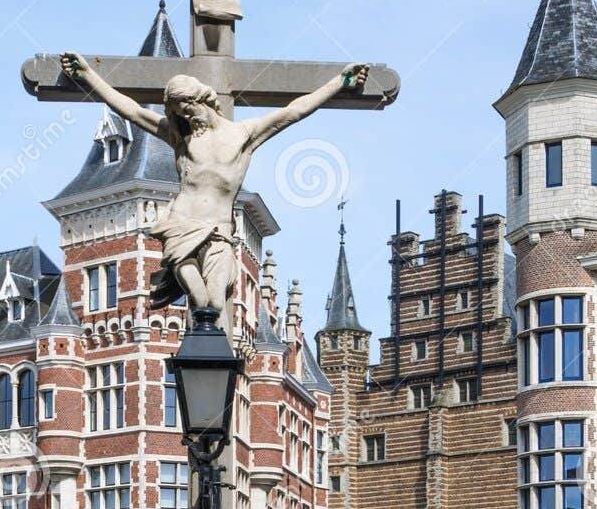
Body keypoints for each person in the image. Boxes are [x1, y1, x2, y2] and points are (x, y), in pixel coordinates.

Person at [60, 53, 368, 334]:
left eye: (189, 106)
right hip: (181, 226)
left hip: (219, 231)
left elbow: (294, 111)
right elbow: (132, 111)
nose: (187, 116)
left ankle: (212, 362)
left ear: (203, 99)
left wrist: (339, 82)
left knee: (216, 303)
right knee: (200, 298)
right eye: (180, 112)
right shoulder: (181, 137)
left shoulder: (243, 134)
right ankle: (198, 357)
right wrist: (88, 75)